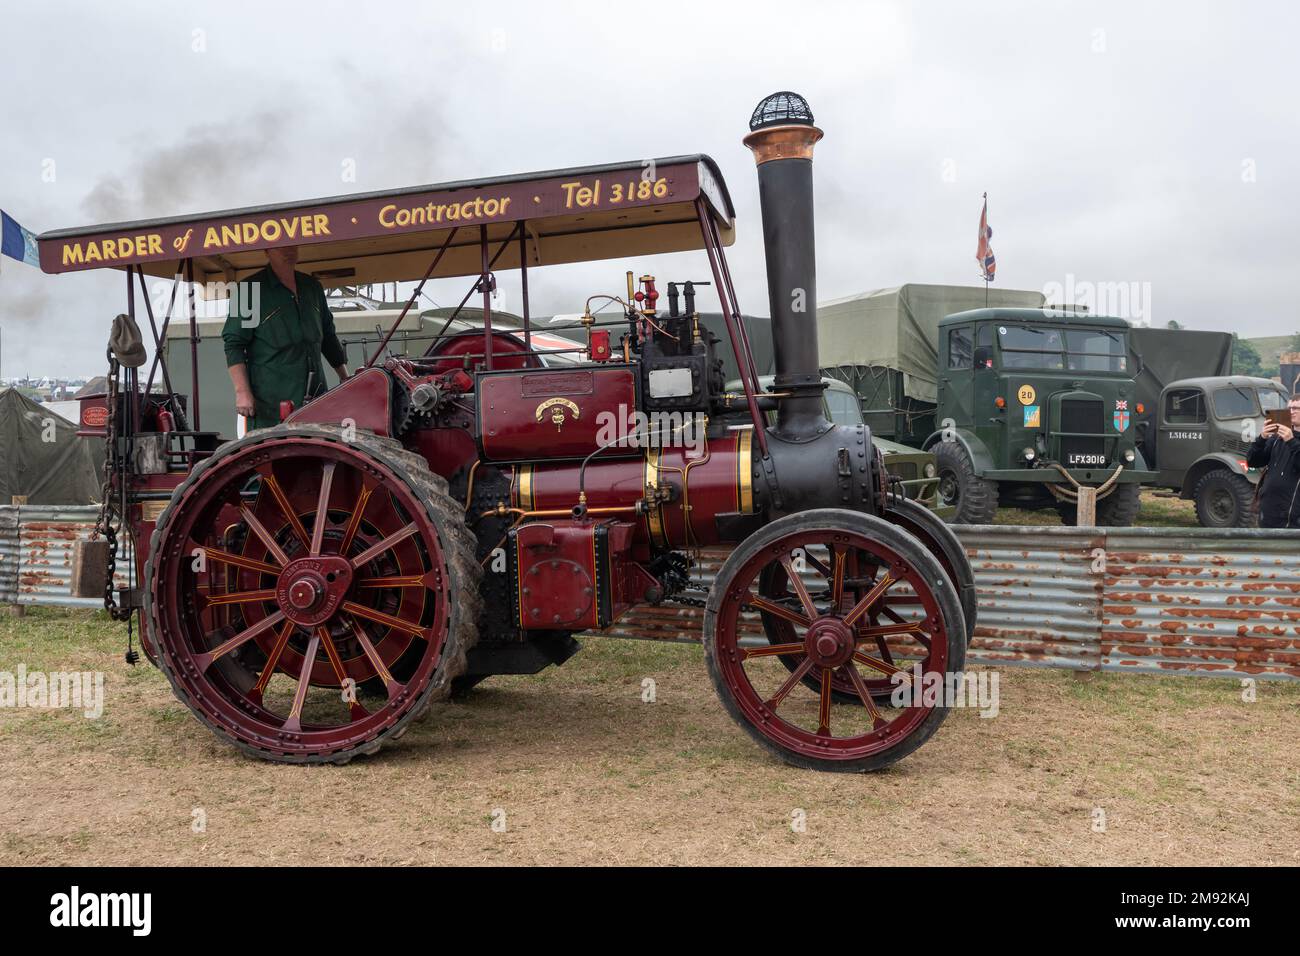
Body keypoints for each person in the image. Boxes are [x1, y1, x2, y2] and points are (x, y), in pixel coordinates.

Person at [223, 246, 349, 430]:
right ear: (266, 251)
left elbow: (328, 336)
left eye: (291, 244)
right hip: (271, 405)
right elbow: (233, 344)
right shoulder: (248, 290)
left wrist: (346, 379)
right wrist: (242, 392)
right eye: (279, 246)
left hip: (316, 400)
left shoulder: (312, 287)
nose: (287, 250)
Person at [1246, 388, 1300, 528]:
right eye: (1289, 408)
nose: (1291, 411)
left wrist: (1291, 441)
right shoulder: (1277, 438)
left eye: (1296, 408)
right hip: (1268, 512)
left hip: (1293, 518)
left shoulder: (1288, 438)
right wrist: (1262, 438)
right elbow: (1253, 461)